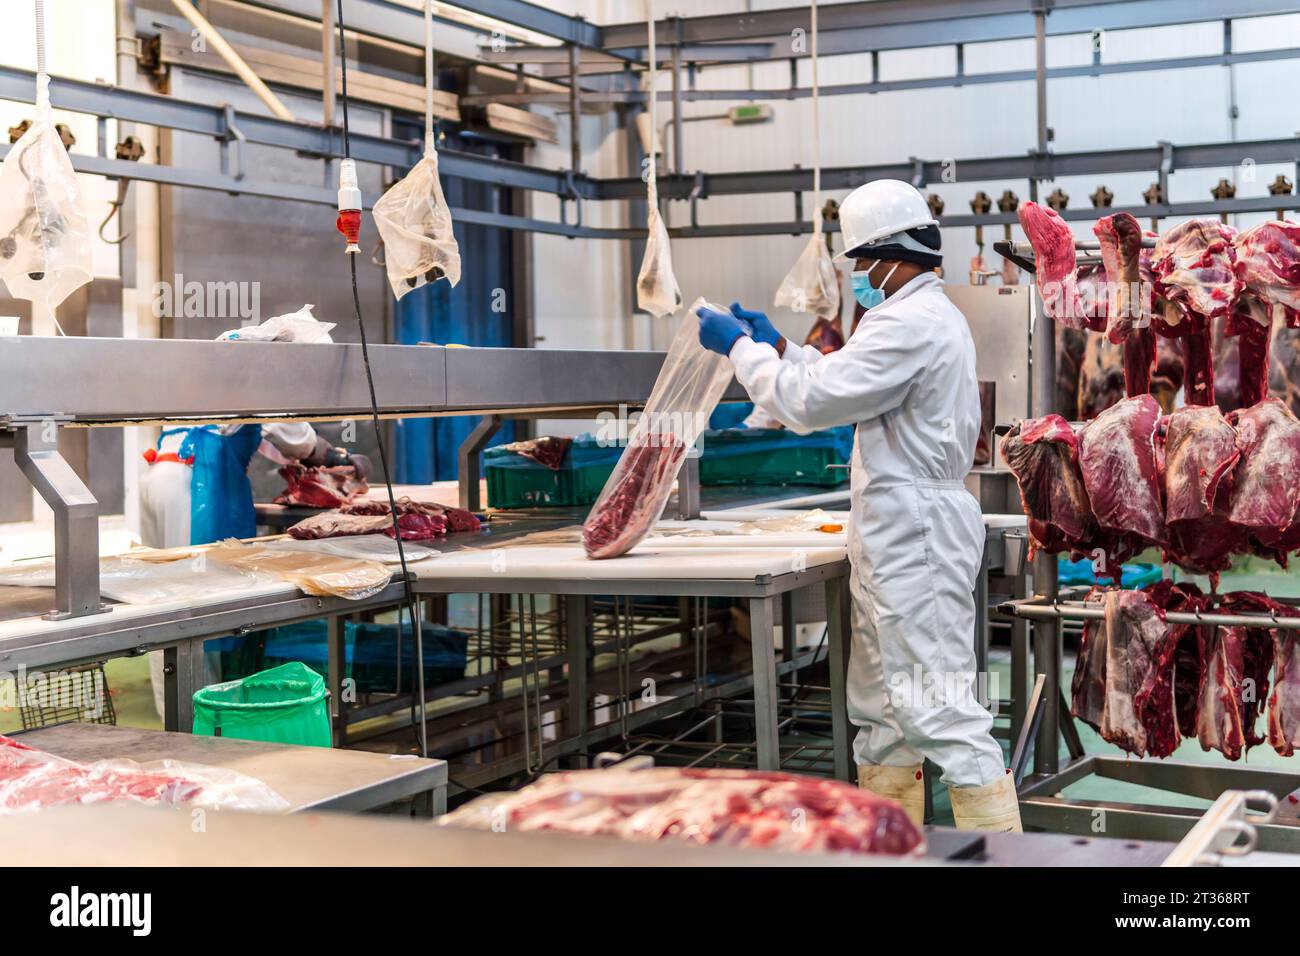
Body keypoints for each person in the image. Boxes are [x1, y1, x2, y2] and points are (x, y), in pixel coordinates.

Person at [697, 179, 1020, 832]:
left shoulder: (911, 321)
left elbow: (812, 405)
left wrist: (740, 348)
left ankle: (1002, 855)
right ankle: (890, 844)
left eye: (862, 264)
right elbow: (839, 382)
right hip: (894, 533)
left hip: (917, 536)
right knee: (881, 716)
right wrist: (785, 350)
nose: (861, 277)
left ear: (890, 254)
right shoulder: (907, 318)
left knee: (941, 713)